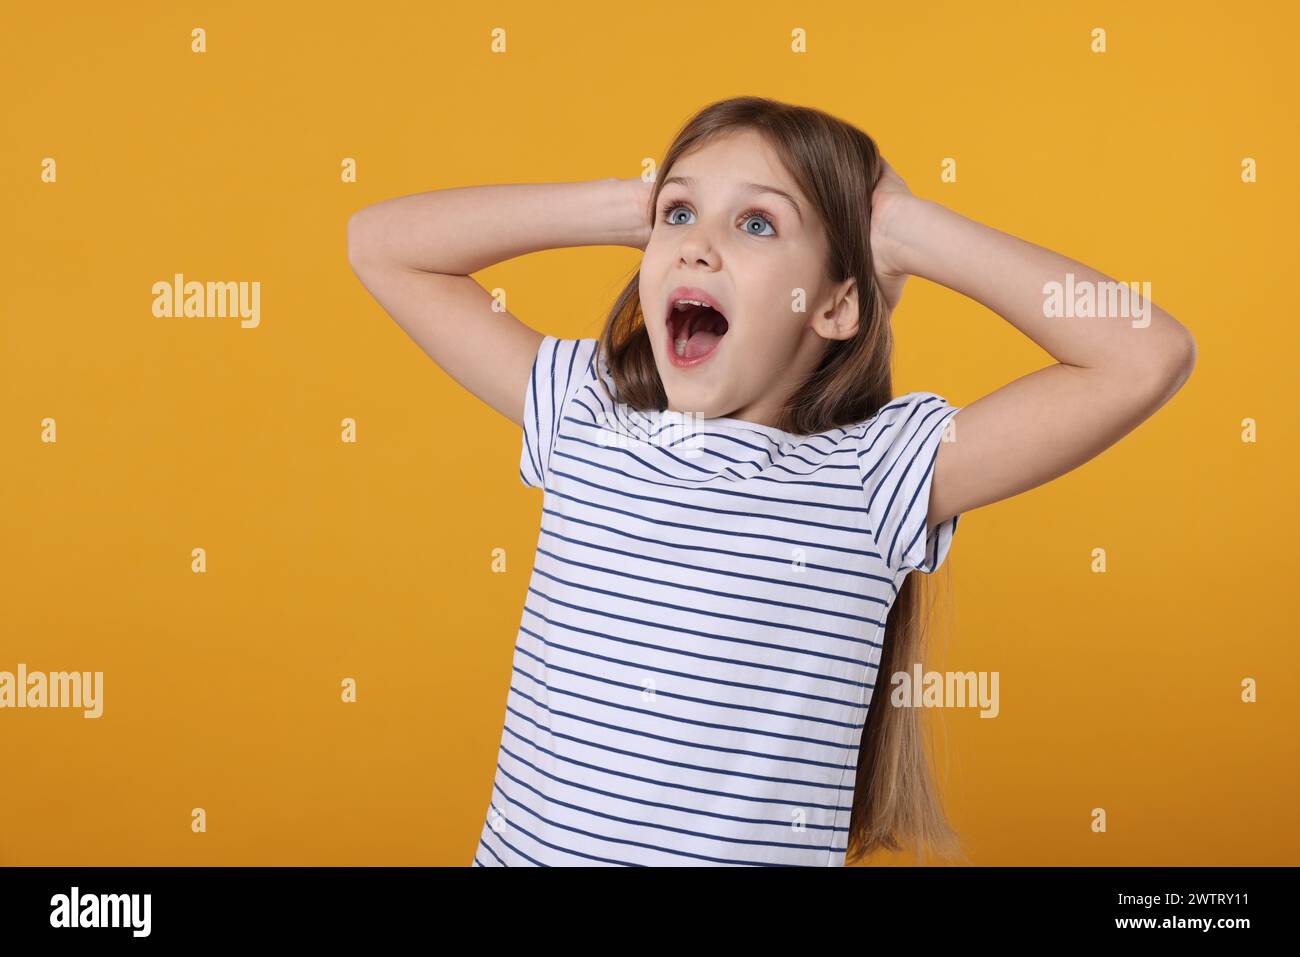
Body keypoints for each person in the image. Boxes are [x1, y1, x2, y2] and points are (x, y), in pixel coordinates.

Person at [347, 95, 1196, 867]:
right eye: (678, 213)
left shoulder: (877, 475)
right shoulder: (587, 412)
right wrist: (620, 206)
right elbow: (380, 246)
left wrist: (905, 231)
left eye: (758, 224)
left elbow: (1142, 354)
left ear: (835, 304)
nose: (697, 245)